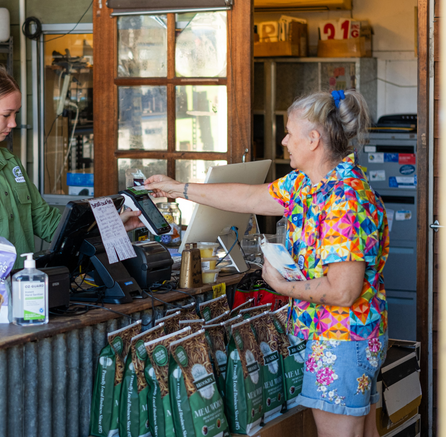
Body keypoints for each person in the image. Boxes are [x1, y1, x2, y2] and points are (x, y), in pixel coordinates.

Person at [145, 89, 389, 437]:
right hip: (338, 338)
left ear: (314, 139)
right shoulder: (309, 185)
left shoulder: (344, 200)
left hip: (342, 340)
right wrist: (178, 189)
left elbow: (343, 291)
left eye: (289, 132)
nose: (285, 140)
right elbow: (247, 196)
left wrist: (282, 286)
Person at [0, 65, 143, 307]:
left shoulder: (10, 163)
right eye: (6, 114)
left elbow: (50, 225)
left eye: (16, 114)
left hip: (25, 297)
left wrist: (112, 225)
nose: (13, 123)